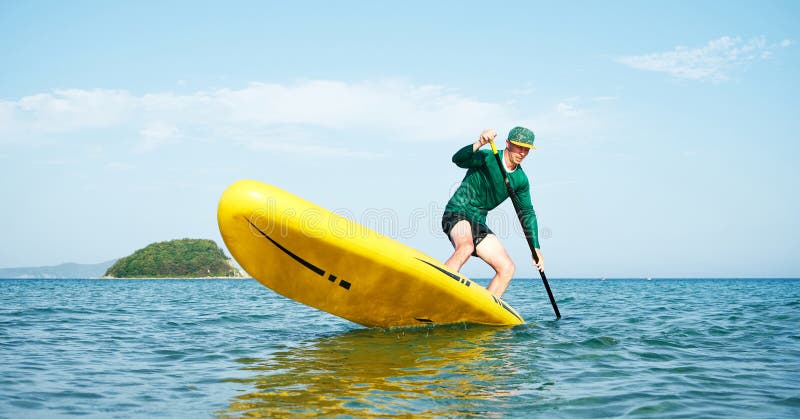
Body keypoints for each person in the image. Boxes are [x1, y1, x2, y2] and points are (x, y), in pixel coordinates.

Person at [441, 127, 543, 298]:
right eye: (519, 147)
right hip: (458, 211)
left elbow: (526, 212)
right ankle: (439, 292)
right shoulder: (487, 157)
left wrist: (536, 247)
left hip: (478, 221)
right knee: (466, 247)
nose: (523, 152)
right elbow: (458, 159)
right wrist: (480, 143)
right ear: (508, 143)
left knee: (507, 268)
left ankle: (480, 310)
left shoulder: (520, 180)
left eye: (527, 149)